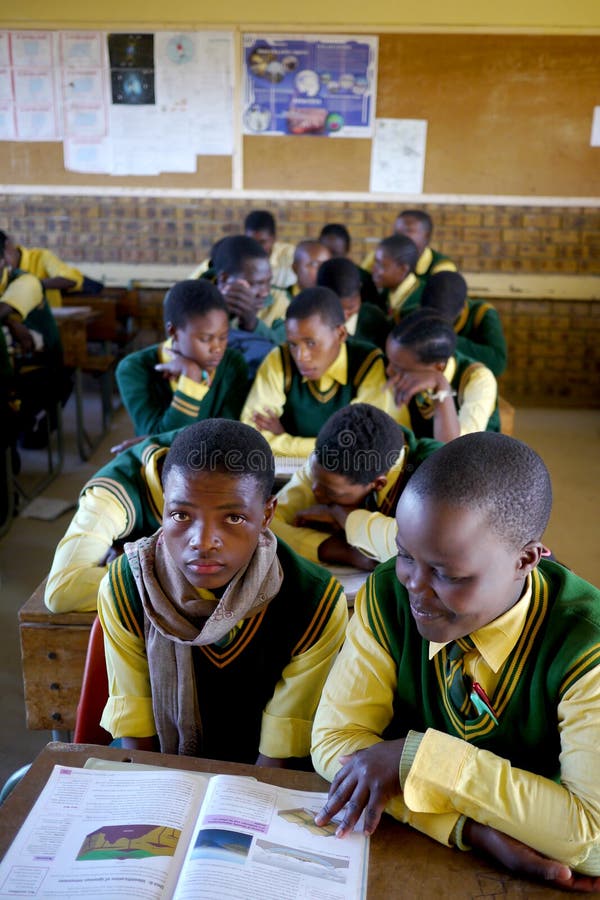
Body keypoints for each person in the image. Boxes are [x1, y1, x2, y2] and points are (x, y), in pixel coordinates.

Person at [311, 432, 600, 890]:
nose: (415, 588)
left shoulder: (586, 644)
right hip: (432, 859)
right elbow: (332, 743)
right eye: (405, 555)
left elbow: (592, 837)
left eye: (448, 575)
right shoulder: (387, 593)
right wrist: (469, 830)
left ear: (526, 559)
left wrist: (416, 759)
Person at [98, 419, 348, 766]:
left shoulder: (313, 602)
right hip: (156, 767)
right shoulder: (128, 585)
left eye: (233, 518)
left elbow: (278, 751)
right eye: (181, 514)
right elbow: (136, 732)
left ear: (266, 515)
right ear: (163, 506)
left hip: (262, 776)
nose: (201, 541)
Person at [272, 404, 441, 570]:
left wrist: (342, 515)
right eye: (313, 478)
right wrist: (341, 551)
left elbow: (421, 546)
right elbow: (267, 524)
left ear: (378, 483)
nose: (315, 491)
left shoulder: (435, 471)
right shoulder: (328, 459)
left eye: (331, 492)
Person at [240, 287, 393, 459]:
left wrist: (284, 439)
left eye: (311, 343)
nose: (301, 356)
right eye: (293, 344)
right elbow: (251, 437)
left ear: (341, 334)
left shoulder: (367, 363)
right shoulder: (280, 358)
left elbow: (362, 444)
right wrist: (334, 444)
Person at [45, 428, 179, 614]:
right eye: (184, 515)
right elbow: (62, 591)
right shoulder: (108, 500)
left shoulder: (220, 449)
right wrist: (165, 572)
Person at [115, 280, 248, 436]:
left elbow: (228, 436)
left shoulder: (233, 364)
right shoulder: (134, 369)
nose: (217, 348)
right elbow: (156, 439)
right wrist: (191, 379)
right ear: (173, 332)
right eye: (205, 339)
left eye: (223, 337)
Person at [385, 309, 499, 442]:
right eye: (389, 361)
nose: (389, 371)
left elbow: (455, 451)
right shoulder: (402, 371)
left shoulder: (478, 379)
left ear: (438, 367)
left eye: (400, 368)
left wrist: (441, 384)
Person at [421, 271, 508, 377]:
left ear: (463, 308)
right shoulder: (413, 313)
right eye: (432, 318)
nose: (438, 324)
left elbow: (498, 363)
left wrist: (445, 339)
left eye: (444, 320)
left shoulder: (482, 313)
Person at [213, 234, 290, 347]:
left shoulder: (280, 300)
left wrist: (252, 323)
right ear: (225, 279)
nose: (265, 292)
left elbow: (283, 352)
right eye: (255, 284)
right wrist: (223, 314)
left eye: (268, 281)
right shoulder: (199, 302)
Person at [0, 229, 102, 308]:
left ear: (8, 245)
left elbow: (72, 280)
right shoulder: (4, 270)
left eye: (2, 256)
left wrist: (32, 285)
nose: (2, 263)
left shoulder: (41, 257)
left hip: (48, 324)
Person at [362, 210, 457, 284]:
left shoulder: (442, 267)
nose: (399, 237)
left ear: (427, 236)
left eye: (408, 231)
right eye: (396, 232)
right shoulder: (378, 258)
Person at [316, 256, 390, 349]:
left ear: (359, 290)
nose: (344, 316)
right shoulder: (309, 323)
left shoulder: (375, 321)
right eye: (336, 309)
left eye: (350, 308)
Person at [319, 223, 381, 308]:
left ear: (347, 251)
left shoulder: (363, 278)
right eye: (325, 252)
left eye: (335, 254)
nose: (329, 258)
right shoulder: (314, 274)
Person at [372, 235, 424, 322]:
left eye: (380, 265)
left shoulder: (418, 303)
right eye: (375, 262)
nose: (374, 269)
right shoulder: (387, 292)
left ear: (403, 270)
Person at [244, 209, 296, 290]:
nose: (255, 247)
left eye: (262, 242)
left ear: (274, 239)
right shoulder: (239, 257)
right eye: (251, 241)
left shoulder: (290, 255)